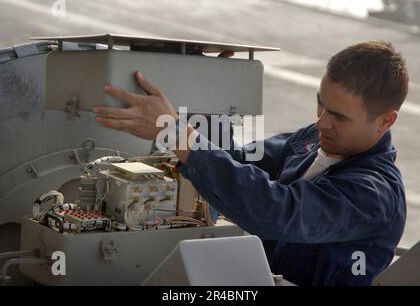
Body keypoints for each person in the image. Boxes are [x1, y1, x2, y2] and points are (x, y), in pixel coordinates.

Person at [93, 41, 408, 286]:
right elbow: (240, 163)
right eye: (321, 104)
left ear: (385, 121)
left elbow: (275, 211)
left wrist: (178, 134)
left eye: (339, 116)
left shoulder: (374, 194)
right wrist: (207, 95)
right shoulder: (316, 138)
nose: (322, 121)